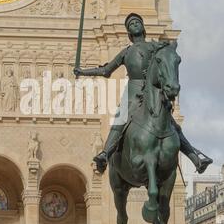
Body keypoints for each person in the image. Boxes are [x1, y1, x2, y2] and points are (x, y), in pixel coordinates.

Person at [74, 13, 213, 175]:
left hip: (153, 91)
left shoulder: (154, 47)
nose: (134, 24)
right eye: (131, 24)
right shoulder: (126, 52)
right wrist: (83, 72)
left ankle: (196, 158)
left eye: (137, 22)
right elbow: (106, 70)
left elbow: (167, 58)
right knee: (120, 120)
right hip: (133, 91)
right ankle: (105, 154)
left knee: (172, 124)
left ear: (143, 27)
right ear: (129, 33)